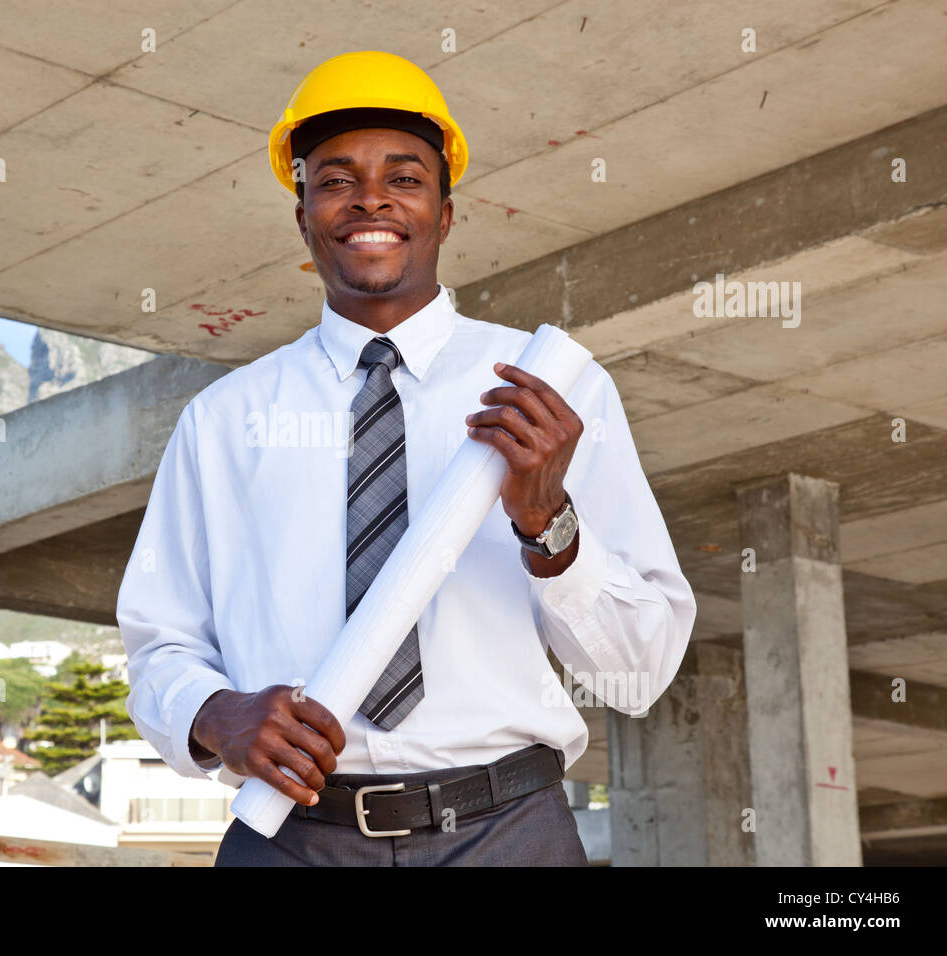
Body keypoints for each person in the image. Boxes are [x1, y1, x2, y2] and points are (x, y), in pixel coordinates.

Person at [116, 51, 696, 866]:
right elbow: (161, 644)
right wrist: (214, 714)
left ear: (446, 213)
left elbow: (641, 670)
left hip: (507, 833)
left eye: (405, 177)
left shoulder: (552, 393)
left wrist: (548, 525)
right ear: (304, 215)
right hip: (291, 835)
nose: (371, 199)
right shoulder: (224, 420)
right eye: (336, 179)